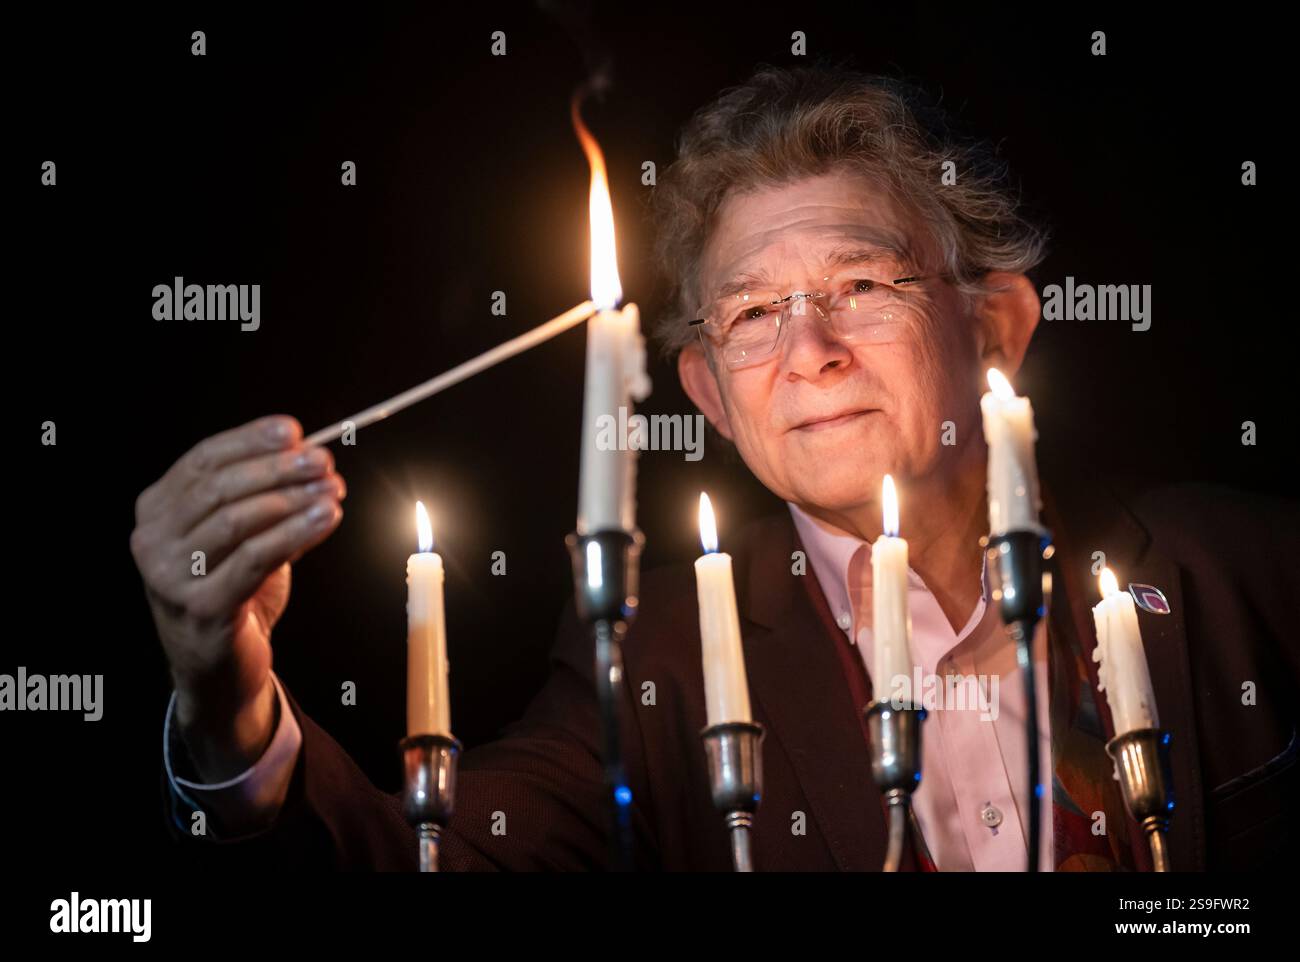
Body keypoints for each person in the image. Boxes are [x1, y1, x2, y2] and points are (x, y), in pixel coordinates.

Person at [132, 66, 1299, 871]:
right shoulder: (660, 661)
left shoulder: (1245, 569)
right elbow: (425, 859)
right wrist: (228, 702)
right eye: (750, 314)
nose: (808, 352)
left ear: (994, 326)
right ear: (711, 400)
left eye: (860, 284)